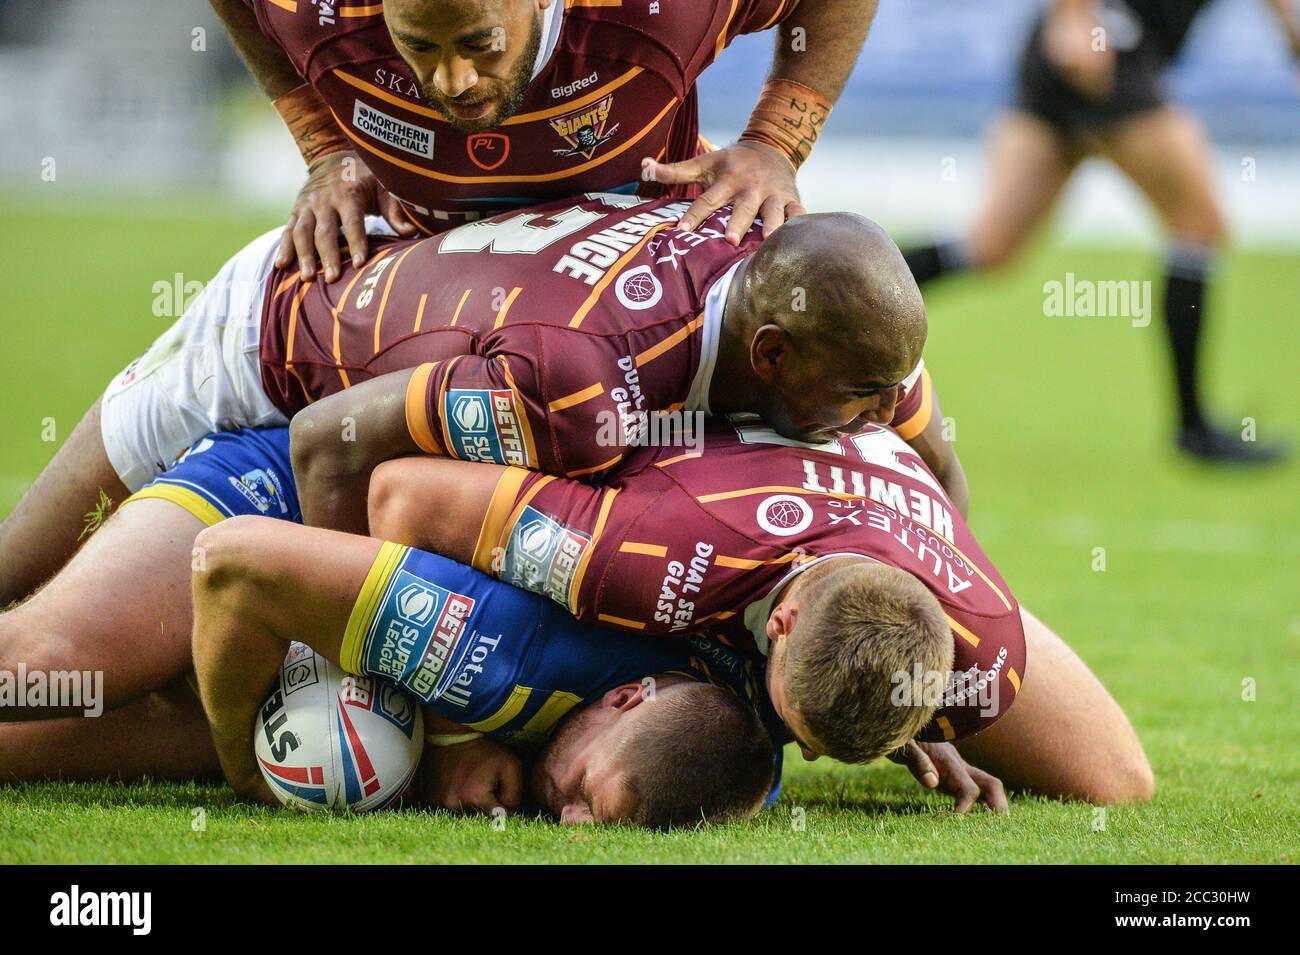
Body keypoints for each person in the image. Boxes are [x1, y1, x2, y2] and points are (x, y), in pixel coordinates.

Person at [0, 195, 963, 606]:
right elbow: (329, 441)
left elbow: (937, 483)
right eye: (865, 397)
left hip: (448, 326)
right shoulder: (588, 384)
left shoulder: (835, 317)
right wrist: (347, 666)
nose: (881, 417)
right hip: (279, 328)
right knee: (27, 581)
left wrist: (926, 679)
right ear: (770, 354)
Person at [0, 426, 1003, 820]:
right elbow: (238, 565)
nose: (557, 819)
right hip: (280, 494)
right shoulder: (498, 653)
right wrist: (446, 722)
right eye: (576, 797)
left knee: (74, 737)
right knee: (38, 668)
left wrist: (908, 723)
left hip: (353, 598)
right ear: (622, 694)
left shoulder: (743, 740)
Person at [363, 413, 1154, 802]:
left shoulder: (984, 650)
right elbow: (402, 491)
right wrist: (449, 737)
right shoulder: (650, 553)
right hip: (686, 439)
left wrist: (918, 709)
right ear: (779, 621)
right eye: (801, 731)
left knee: (1117, 783)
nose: (798, 757)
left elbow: (914, 399)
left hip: (875, 447)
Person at [209, 0, 878, 277]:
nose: (455, 79)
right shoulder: (320, 10)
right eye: (417, 45)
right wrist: (325, 150)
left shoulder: (659, 10)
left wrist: (774, 144)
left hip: (647, 277)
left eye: (479, 42)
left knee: (879, 361)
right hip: (414, 273)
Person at [903, 0, 1299, 464]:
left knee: (990, 247)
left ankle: (828, 303)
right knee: (1199, 227)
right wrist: (1074, 17)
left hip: (1081, 56)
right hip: (1106, 46)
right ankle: (1193, 428)